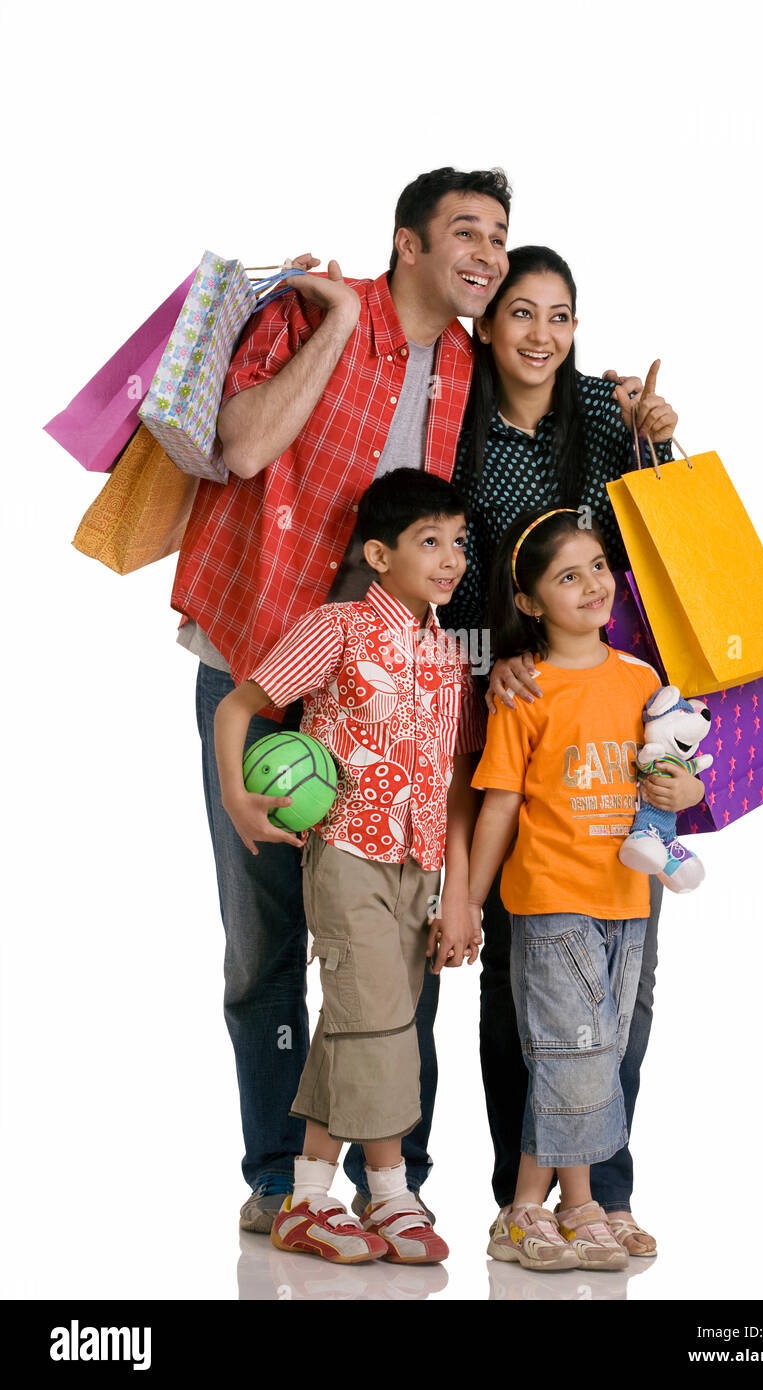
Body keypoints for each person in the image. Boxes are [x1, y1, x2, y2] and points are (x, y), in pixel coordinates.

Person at [171, 167, 511, 1231]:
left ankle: (386, 1180)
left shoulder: (467, 363)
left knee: (396, 945)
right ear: (407, 242)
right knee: (265, 944)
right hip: (268, 661)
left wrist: (635, 419)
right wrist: (343, 320)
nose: (489, 256)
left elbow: (519, 452)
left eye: (499, 236)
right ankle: (281, 1180)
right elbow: (242, 445)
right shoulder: (309, 312)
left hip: (391, 697)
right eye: (467, 232)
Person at [442, 245, 705, 1255]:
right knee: (530, 988)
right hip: (509, 694)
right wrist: (493, 665)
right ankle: (522, 1198)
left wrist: (658, 439)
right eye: (521, 314)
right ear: (486, 325)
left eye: (560, 315)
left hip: (614, 702)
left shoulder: (599, 412)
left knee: (623, 991)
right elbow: (453, 565)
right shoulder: (456, 415)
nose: (541, 335)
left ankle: (604, 1190)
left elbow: (651, 539)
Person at [212, 469, 483, 1263]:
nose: (449, 558)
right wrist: (237, 795)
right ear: (377, 552)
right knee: (382, 1023)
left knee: (352, 1022)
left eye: (457, 543)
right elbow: (239, 706)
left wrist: (458, 893)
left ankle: (307, 1199)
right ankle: (392, 1192)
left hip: (418, 866)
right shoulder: (334, 628)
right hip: (346, 854)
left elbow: (458, 779)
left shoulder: (445, 655)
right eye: (428, 542)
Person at [468, 508, 666, 1270]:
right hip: (550, 897)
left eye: (595, 566)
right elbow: (500, 803)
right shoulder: (525, 691)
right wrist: (463, 905)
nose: (591, 585)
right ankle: (565, 1206)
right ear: (527, 602)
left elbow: (654, 787)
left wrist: (673, 793)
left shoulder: (642, 680)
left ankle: (526, 1212)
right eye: (566, 575)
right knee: (570, 1053)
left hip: (625, 900)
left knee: (591, 1052)